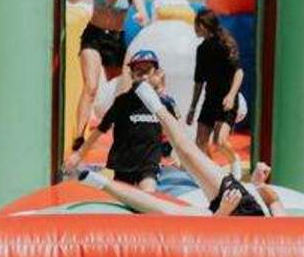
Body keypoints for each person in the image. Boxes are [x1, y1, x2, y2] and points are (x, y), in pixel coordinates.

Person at [77, 80, 279, 217]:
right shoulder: (282, 242)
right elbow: (276, 208)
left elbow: (217, 239)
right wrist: (258, 185)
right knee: (188, 152)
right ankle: (156, 105)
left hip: (222, 217)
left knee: (165, 210)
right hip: (241, 205)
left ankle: (101, 182)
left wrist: (223, 212)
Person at [67, 49, 176, 194]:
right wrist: (79, 154)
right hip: (123, 164)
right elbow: (101, 129)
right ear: (131, 74)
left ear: (155, 73)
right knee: (122, 203)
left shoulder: (162, 104)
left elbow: (174, 133)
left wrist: (178, 159)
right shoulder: (122, 102)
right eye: (138, 71)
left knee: (148, 195)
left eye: (147, 71)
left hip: (149, 165)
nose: (143, 76)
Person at [74, 0, 148, 82]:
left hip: (115, 41)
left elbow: (144, 15)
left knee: (117, 87)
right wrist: (89, 0)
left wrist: (141, 17)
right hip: (94, 35)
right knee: (91, 86)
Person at [191, 7, 245, 161]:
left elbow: (239, 72)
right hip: (210, 99)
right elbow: (199, 81)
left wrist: (231, 95)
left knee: (219, 141)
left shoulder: (225, 44)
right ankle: (206, 172)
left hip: (227, 100)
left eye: (195, 25)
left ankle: (234, 161)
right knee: (200, 141)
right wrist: (193, 107)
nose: (194, 28)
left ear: (202, 26)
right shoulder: (202, 49)